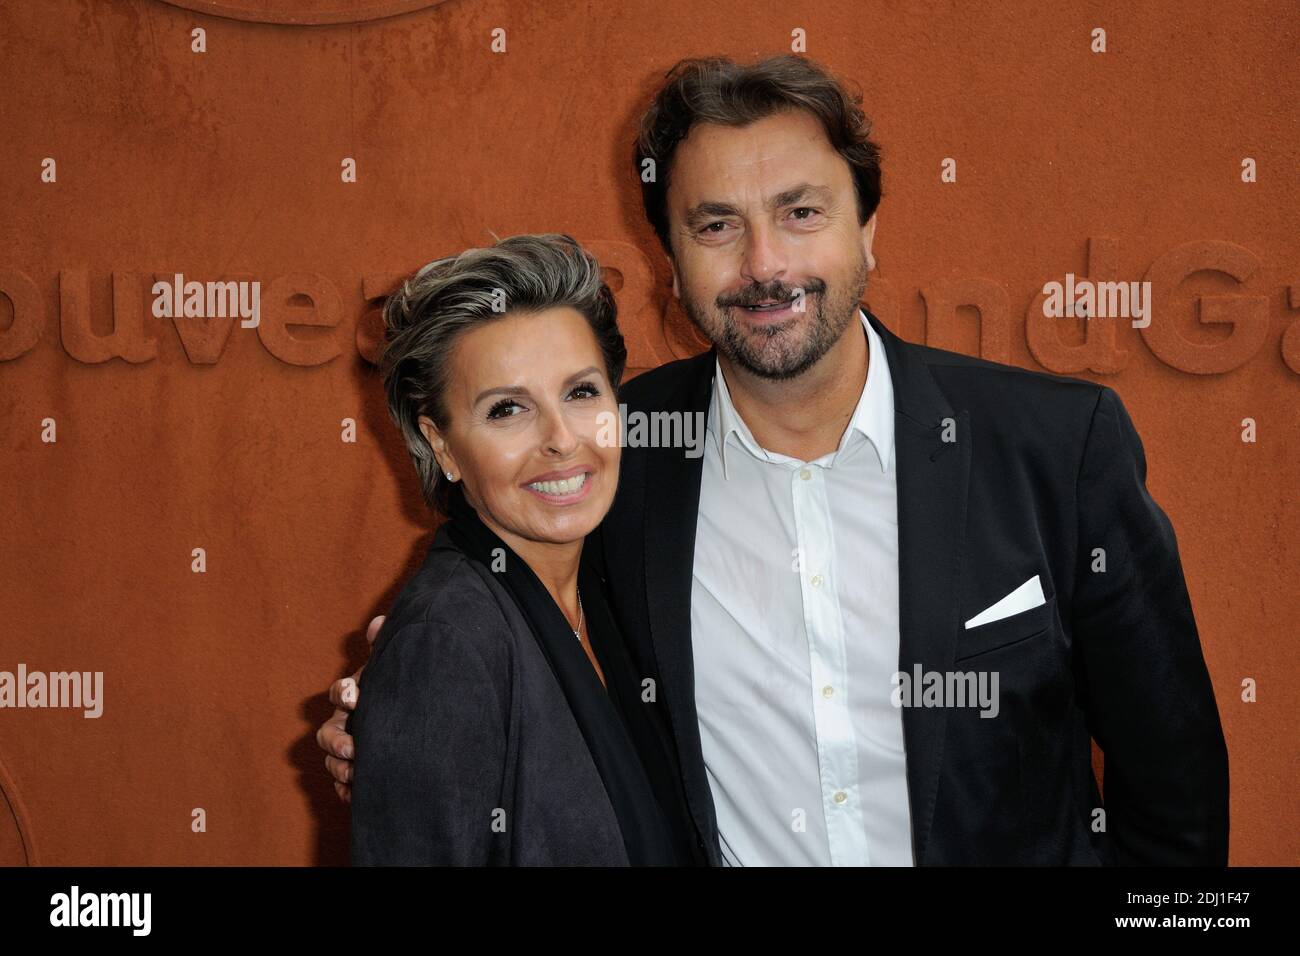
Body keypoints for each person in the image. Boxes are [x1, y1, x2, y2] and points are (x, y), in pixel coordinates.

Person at [321, 54, 1229, 866]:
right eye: (716, 226)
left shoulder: (1055, 448)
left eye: (800, 213)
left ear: (867, 227)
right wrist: (399, 723)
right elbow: (494, 623)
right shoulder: (609, 458)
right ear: (669, 260)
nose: (764, 264)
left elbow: (1174, 790)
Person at [347, 233, 699, 865]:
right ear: (443, 446)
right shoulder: (448, 640)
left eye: (582, 392)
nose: (562, 439)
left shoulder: (608, 584)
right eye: (508, 409)